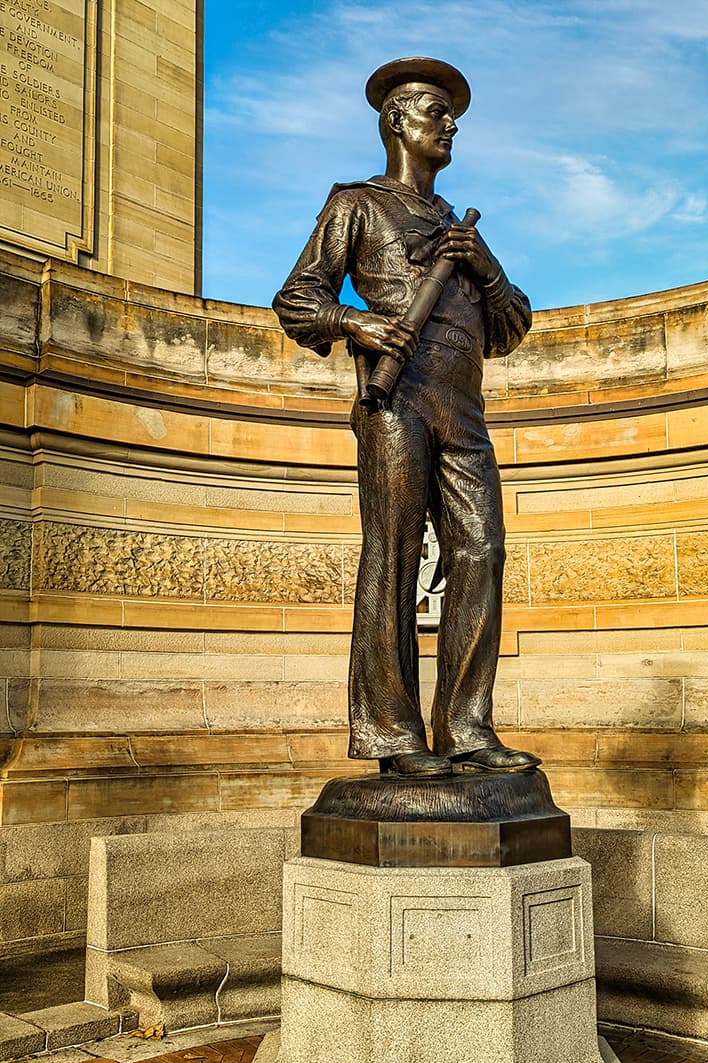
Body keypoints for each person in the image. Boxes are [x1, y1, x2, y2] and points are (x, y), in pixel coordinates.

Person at [273, 57, 540, 779]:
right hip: (395, 402)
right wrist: (355, 326)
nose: (450, 124)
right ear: (396, 121)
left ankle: (466, 729)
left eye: (451, 114)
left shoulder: (461, 229)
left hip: (464, 409)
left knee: (481, 553)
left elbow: (510, 328)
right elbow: (297, 300)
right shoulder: (356, 206)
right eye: (435, 110)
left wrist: (487, 270)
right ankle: (394, 736)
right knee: (392, 557)